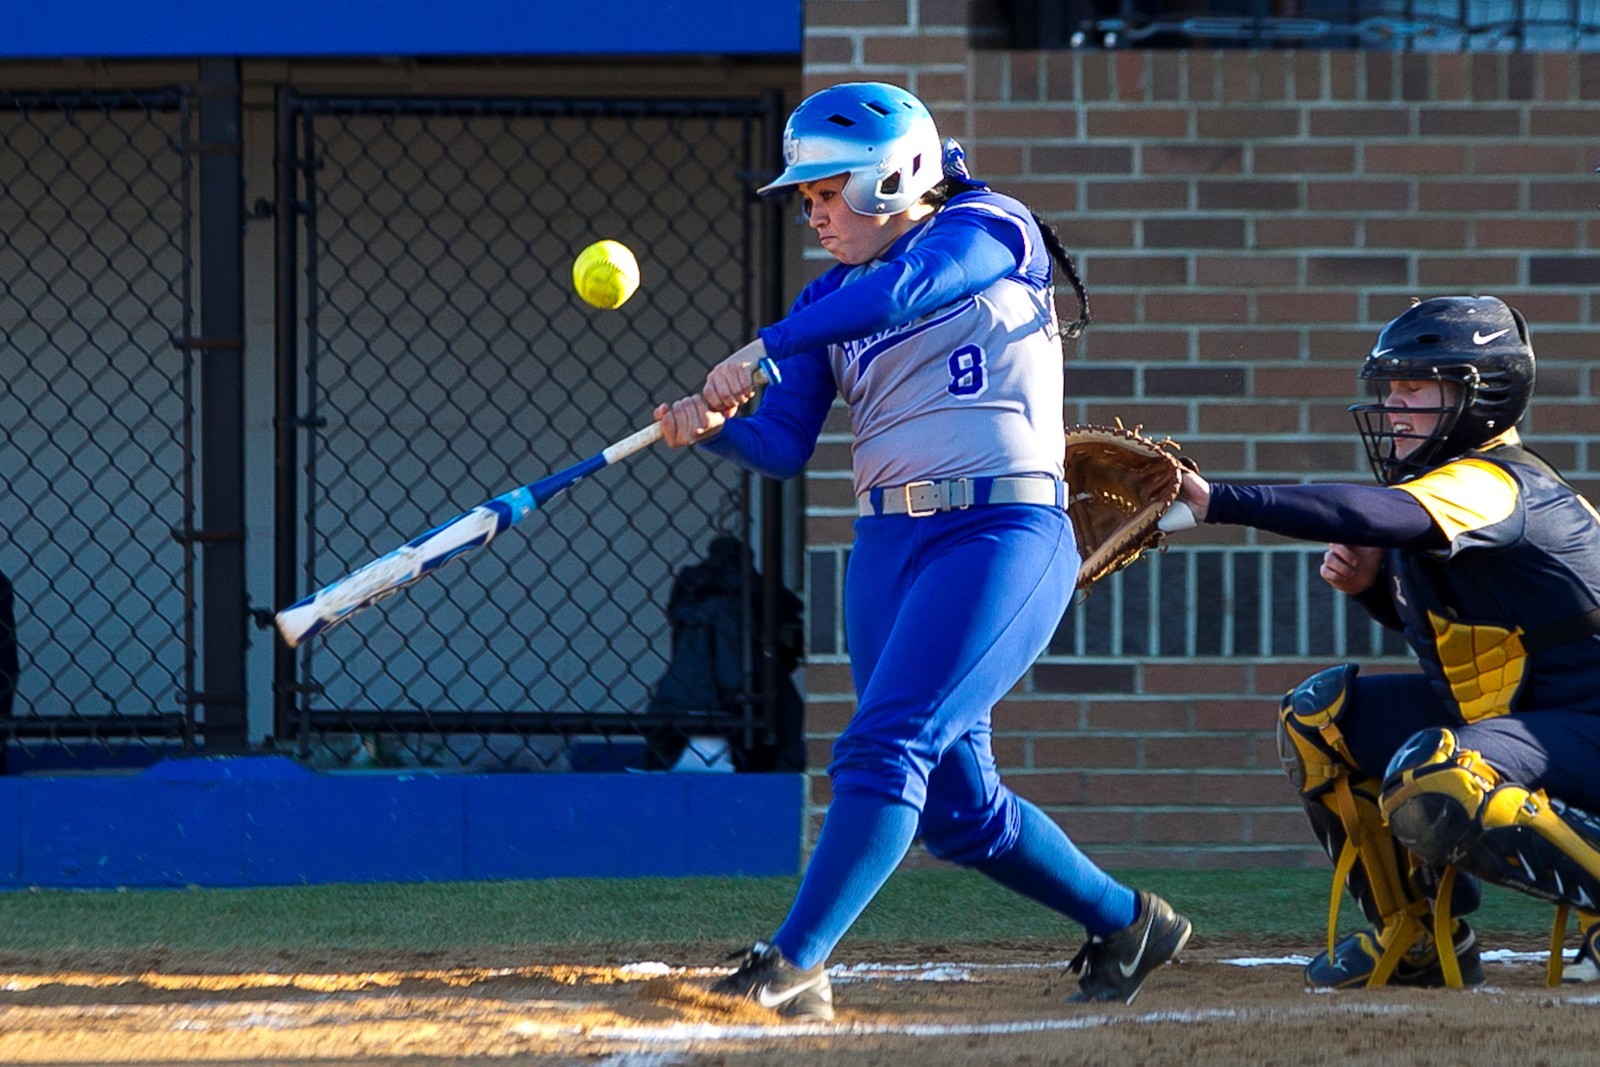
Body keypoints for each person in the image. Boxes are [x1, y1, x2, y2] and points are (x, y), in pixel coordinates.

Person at [653, 81, 1192, 1020]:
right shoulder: (826, 301)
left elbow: (912, 287)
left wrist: (765, 345)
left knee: (885, 743)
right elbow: (782, 444)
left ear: (895, 176)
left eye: (830, 191)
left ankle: (795, 963)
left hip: (1000, 533)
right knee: (957, 808)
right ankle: (1129, 923)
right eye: (807, 197)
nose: (815, 214)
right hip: (889, 545)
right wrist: (714, 428)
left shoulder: (991, 227)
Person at [1171, 294, 1600, 989]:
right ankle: (1421, 936)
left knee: (1441, 770)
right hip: (1532, 720)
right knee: (1320, 719)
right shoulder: (1446, 489)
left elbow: (1358, 511)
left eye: (1416, 388)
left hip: (1586, 728)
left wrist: (1215, 500)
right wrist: (1374, 590)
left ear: (1481, 397)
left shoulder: (1494, 482)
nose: (1394, 406)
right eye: (1391, 387)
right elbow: (1484, 648)